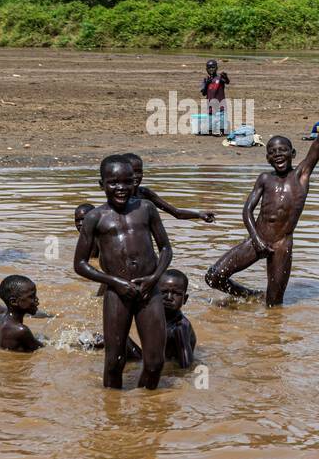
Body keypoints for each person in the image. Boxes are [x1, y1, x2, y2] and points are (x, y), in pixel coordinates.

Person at [205, 75, 319, 306]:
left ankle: (264, 311)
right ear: (268, 158)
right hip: (257, 240)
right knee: (213, 276)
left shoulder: (301, 176)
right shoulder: (265, 179)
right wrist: (256, 239)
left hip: (281, 247)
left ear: (293, 154)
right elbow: (247, 210)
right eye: (273, 152)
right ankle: (249, 296)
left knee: (274, 305)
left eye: (283, 150)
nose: (278, 155)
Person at [73, 155, 172, 390]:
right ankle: (113, 414)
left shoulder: (146, 209)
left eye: (128, 182)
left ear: (135, 182)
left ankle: (146, 408)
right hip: (117, 294)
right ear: (102, 184)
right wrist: (114, 282)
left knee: (156, 362)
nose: (121, 188)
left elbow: (166, 248)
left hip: (149, 290)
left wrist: (154, 278)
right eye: (114, 183)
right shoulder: (95, 218)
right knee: (115, 361)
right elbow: (80, 264)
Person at [122, 153, 216, 222]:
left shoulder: (144, 193)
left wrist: (199, 214)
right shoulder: (118, 198)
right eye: (132, 172)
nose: (136, 176)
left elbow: (176, 213)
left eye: (139, 172)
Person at [0, 275, 43, 352]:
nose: (37, 299)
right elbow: (42, 348)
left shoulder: (2, 318)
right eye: (31, 296)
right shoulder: (21, 331)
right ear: (13, 302)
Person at [160, 269, 197, 368]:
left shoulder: (180, 328)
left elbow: (187, 366)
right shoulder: (154, 317)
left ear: (185, 299)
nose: (169, 297)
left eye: (176, 293)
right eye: (163, 292)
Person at [201, 58, 230, 136]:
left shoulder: (220, 78)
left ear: (216, 68)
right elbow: (203, 93)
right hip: (210, 106)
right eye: (209, 68)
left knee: (222, 129)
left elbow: (227, 82)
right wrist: (207, 84)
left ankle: (220, 128)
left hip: (220, 105)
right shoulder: (205, 80)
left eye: (213, 67)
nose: (211, 69)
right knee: (208, 130)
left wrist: (226, 77)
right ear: (206, 69)